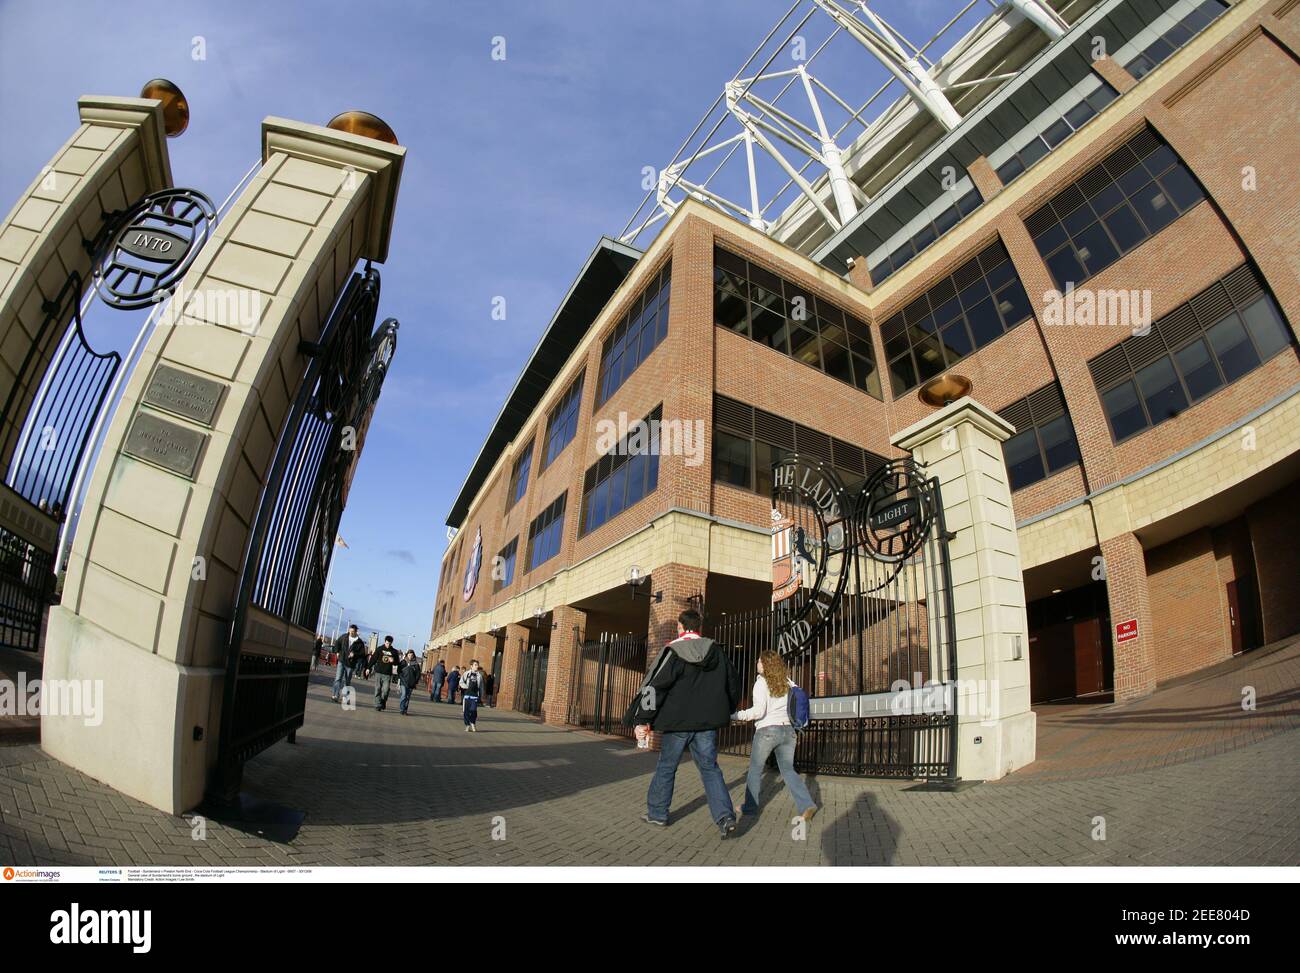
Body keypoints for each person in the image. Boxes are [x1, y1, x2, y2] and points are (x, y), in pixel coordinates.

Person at [630, 609, 742, 839]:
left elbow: (654, 687)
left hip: (677, 723)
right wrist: (728, 709)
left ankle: (657, 814)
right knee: (710, 769)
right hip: (706, 724)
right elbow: (733, 683)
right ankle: (725, 817)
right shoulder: (716, 651)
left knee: (667, 767)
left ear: (680, 626)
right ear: (699, 627)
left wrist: (643, 719)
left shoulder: (673, 651)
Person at [733, 649, 817, 823]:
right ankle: (807, 804)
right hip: (788, 731)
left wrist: (735, 715)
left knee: (755, 770)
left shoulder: (761, 683)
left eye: (759, 661)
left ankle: (750, 807)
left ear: (765, 664)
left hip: (767, 731)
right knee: (788, 770)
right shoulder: (787, 682)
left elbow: (758, 711)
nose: (757, 663)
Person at [331, 624, 366, 702]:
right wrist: (337, 652)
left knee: (347, 681)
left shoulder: (359, 642)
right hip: (342, 660)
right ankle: (335, 695)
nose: (350, 633)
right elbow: (337, 643)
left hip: (350, 664)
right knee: (338, 678)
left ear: (356, 632)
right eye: (350, 631)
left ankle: (345, 697)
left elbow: (362, 654)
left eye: (352, 631)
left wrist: (355, 654)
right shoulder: (344, 637)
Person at [368, 636, 402, 712]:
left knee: (386, 690)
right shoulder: (380, 649)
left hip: (387, 674)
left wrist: (393, 661)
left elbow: (397, 663)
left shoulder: (394, 651)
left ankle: (383, 701)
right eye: (387, 643)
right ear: (385, 641)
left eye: (389, 644)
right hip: (379, 672)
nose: (388, 645)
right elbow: (373, 659)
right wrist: (368, 668)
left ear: (391, 643)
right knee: (378, 689)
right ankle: (377, 704)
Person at [460, 659, 485, 732]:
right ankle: (467, 725)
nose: (477, 666)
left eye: (477, 665)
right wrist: (466, 686)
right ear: (471, 666)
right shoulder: (467, 674)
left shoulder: (479, 675)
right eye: (475, 665)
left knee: (473, 711)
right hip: (467, 696)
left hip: (474, 696)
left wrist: (481, 695)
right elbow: (461, 682)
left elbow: (481, 686)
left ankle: (473, 723)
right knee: (466, 712)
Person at [397, 650, 422, 716]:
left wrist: (416, 681)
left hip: (411, 683)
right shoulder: (403, 662)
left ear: (413, 656)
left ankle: (405, 710)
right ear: (407, 655)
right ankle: (401, 709)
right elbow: (399, 671)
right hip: (403, 682)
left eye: (412, 655)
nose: (410, 656)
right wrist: (400, 678)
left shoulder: (416, 664)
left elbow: (418, 674)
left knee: (407, 697)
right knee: (404, 695)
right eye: (409, 655)